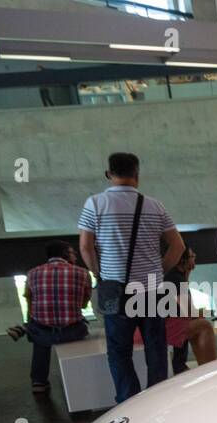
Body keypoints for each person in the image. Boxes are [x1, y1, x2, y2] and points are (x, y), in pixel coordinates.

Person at [78, 152, 184, 402]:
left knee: (119, 351)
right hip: (152, 288)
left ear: (108, 174)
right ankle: (157, 400)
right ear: (137, 175)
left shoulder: (94, 204)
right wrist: (159, 270)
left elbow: (85, 246)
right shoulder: (155, 206)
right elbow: (177, 246)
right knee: (156, 349)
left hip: (117, 289)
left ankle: (129, 402)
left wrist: (99, 273)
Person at [7, 240, 91, 394]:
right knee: (79, 323)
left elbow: (30, 301)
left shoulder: (32, 273)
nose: (76, 255)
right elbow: (84, 305)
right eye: (73, 252)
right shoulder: (82, 273)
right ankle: (78, 380)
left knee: (39, 338)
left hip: (43, 333)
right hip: (73, 332)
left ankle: (39, 382)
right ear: (65, 253)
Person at [164, 247, 217, 375]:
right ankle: (210, 369)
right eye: (192, 256)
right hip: (163, 328)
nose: (195, 258)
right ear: (183, 260)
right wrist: (211, 313)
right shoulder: (175, 278)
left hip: (166, 324)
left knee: (195, 324)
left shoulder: (174, 276)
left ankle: (193, 366)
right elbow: (189, 311)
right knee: (204, 326)